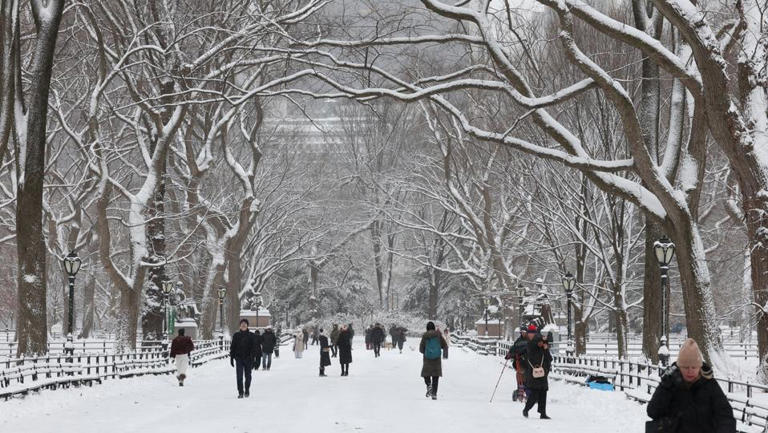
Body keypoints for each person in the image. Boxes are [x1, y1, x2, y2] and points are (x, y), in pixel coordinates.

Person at [647, 339, 735, 433]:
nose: (690, 371)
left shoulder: (710, 385)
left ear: (699, 367)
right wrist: (664, 388)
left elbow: (726, 416)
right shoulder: (670, 384)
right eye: (686, 367)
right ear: (679, 367)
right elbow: (653, 412)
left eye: (694, 367)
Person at [522, 332, 552, 419]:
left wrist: (546, 350)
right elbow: (530, 360)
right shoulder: (531, 349)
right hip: (534, 375)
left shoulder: (543, 349)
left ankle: (543, 413)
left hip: (543, 374)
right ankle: (526, 409)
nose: (541, 343)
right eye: (539, 342)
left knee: (543, 394)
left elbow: (549, 359)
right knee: (534, 395)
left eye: (542, 342)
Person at [419, 321, 448, 400]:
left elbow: (421, 349)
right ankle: (434, 394)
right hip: (436, 359)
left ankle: (429, 385)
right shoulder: (438, 335)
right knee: (435, 376)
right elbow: (445, 345)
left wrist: (426, 351)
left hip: (427, 359)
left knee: (426, 374)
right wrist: (445, 355)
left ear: (427, 328)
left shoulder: (425, 336)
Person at [230, 319, 258, 398]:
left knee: (248, 376)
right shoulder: (236, 335)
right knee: (239, 376)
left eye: (245, 324)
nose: (243, 325)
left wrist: (254, 359)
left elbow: (255, 348)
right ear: (240, 326)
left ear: (247, 325)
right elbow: (233, 347)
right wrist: (232, 358)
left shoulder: (252, 335)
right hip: (238, 358)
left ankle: (247, 389)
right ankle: (240, 392)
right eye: (242, 324)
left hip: (248, 358)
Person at [505, 326, 529, 402]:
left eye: (525, 332)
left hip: (528, 363)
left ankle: (527, 390)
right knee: (520, 374)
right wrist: (509, 354)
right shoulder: (518, 341)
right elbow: (513, 349)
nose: (523, 333)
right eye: (522, 332)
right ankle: (520, 389)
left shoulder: (530, 341)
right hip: (519, 362)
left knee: (527, 376)